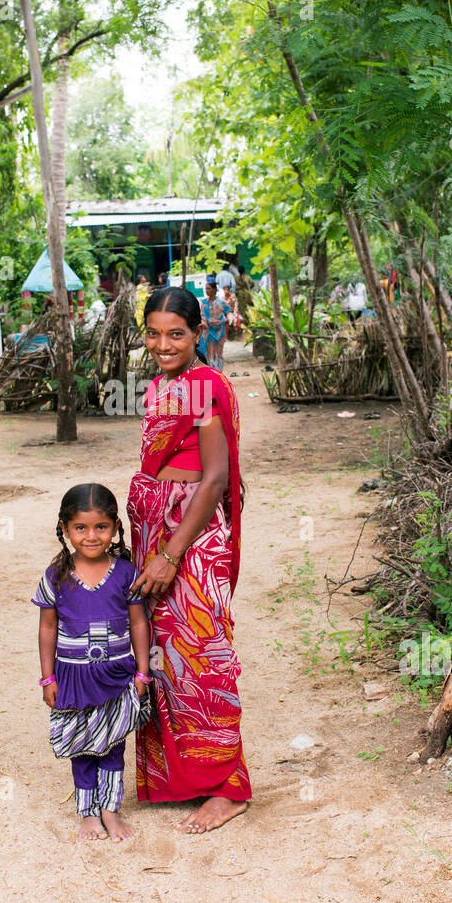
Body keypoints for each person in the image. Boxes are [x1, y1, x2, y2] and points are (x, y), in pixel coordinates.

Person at [127, 286, 251, 833]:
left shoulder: (204, 386)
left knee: (201, 655)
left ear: (199, 333)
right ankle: (185, 777)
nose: (163, 344)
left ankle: (228, 787)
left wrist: (172, 555)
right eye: (154, 334)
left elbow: (215, 477)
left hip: (189, 541)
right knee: (163, 658)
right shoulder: (161, 387)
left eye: (175, 334)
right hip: (156, 533)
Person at [33, 483, 152, 843]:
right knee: (80, 745)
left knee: (114, 743)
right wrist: (47, 678)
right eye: (80, 527)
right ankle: (87, 812)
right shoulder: (56, 575)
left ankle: (110, 809)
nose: (91, 536)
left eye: (101, 527)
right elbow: (47, 628)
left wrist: (143, 672)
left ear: (115, 527)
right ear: (65, 528)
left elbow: (138, 623)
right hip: (72, 677)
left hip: (117, 675)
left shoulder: (127, 573)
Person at [198, 273, 230, 369]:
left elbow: (228, 313)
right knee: (208, 354)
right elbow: (201, 315)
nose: (207, 291)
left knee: (218, 354)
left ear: (214, 290)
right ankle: (210, 373)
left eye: (209, 289)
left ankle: (218, 373)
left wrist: (222, 321)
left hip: (219, 332)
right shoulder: (203, 302)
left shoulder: (221, 303)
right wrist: (204, 322)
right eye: (206, 289)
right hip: (207, 331)